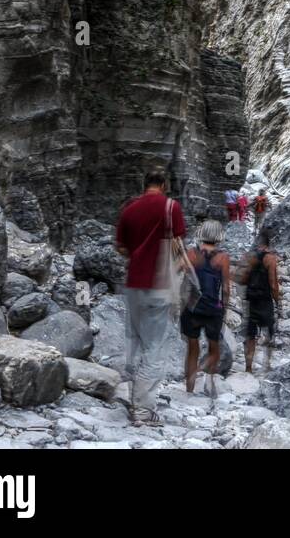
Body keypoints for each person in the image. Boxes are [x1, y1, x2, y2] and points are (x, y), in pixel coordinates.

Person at [115, 169, 185, 424]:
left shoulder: (129, 210)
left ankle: (132, 395)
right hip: (158, 285)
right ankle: (143, 410)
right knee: (154, 347)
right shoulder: (170, 207)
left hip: (133, 284)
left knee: (135, 341)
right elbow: (177, 241)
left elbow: (121, 246)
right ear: (164, 185)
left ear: (144, 184)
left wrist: (137, 255)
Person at [181, 220, 232, 396]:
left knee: (192, 348)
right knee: (214, 349)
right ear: (218, 237)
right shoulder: (223, 258)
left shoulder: (191, 253)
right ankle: (206, 379)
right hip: (213, 309)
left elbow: (181, 273)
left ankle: (189, 388)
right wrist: (224, 309)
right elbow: (225, 288)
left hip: (192, 307)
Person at [236, 226, 282, 374]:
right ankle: (266, 365)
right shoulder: (271, 259)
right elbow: (273, 284)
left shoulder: (250, 257)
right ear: (269, 243)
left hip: (251, 300)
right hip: (265, 300)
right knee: (268, 331)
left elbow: (242, 280)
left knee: (250, 334)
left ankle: (248, 367)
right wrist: (277, 302)